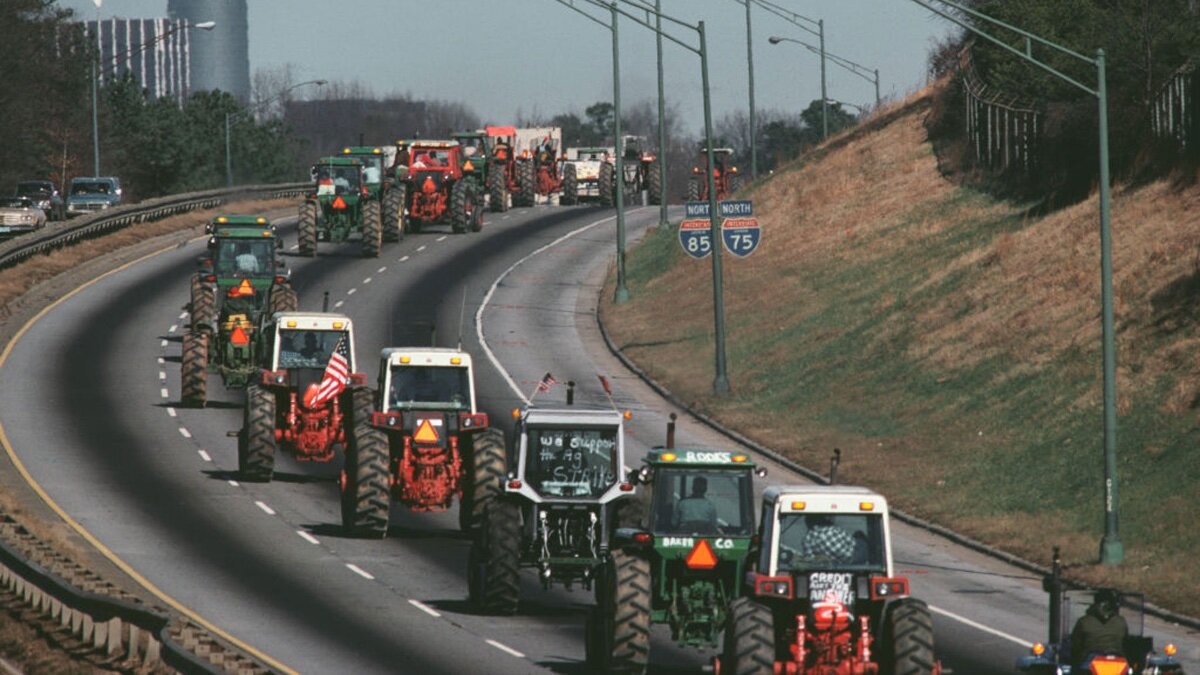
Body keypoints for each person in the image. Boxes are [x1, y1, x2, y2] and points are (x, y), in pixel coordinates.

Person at [1070, 589, 1128, 665]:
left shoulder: (1084, 621)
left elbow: (1076, 646)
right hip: (1117, 662)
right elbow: (1126, 644)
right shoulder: (1121, 622)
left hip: (1089, 663)